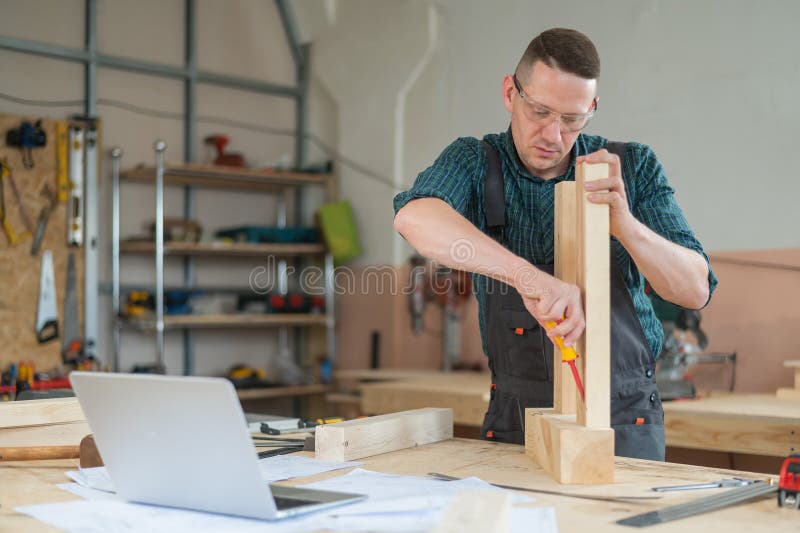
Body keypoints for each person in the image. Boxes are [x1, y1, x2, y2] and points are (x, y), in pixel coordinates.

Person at [392, 28, 717, 460]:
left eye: (572, 119)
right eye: (540, 111)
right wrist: (531, 280)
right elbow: (414, 217)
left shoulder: (632, 166)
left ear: (592, 108)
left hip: (625, 417)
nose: (553, 134)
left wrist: (625, 224)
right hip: (517, 418)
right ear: (511, 92)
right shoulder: (475, 162)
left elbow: (695, 290)